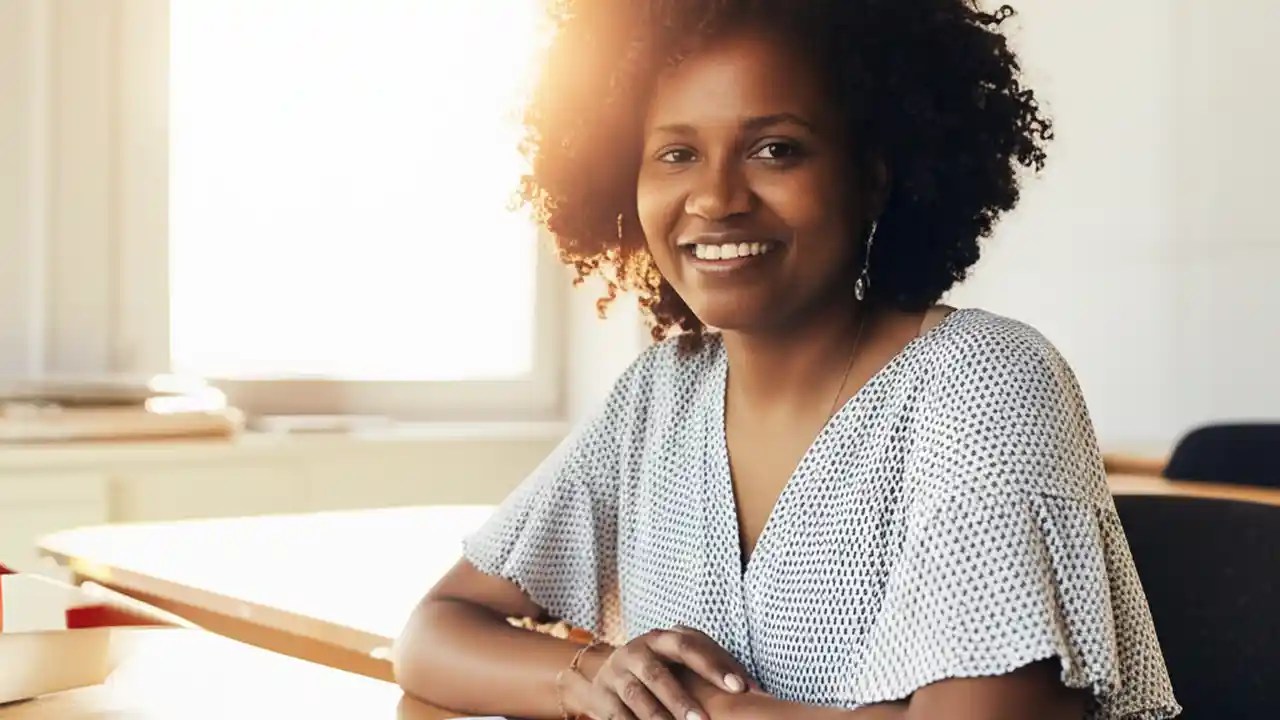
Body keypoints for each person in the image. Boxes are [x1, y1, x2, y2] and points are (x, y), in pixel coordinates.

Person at [393, 2, 1180, 719]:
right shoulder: (658, 397)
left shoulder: (983, 380)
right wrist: (589, 676)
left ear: (873, 176)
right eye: (675, 154)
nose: (715, 199)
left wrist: (717, 712)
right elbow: (432, 634)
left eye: (775, 149)